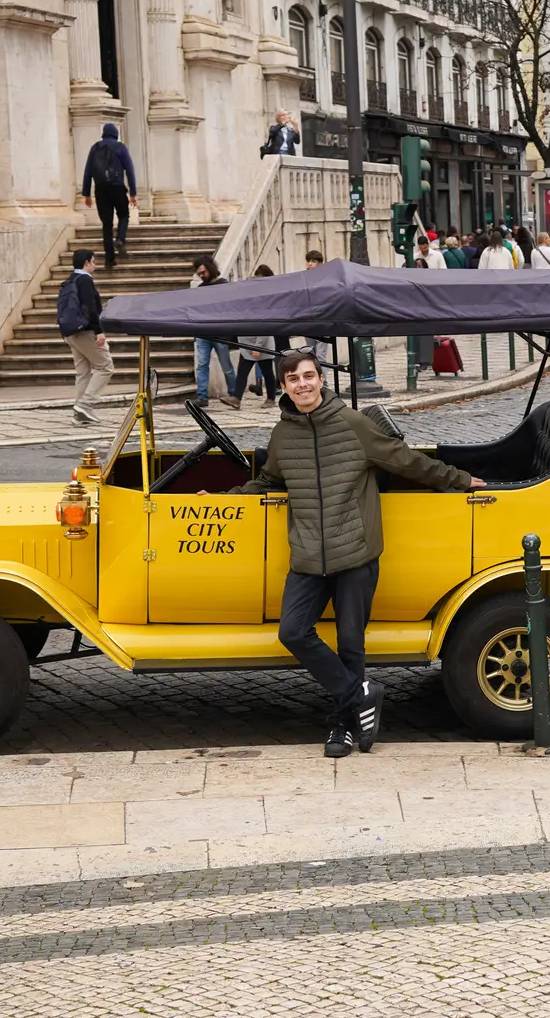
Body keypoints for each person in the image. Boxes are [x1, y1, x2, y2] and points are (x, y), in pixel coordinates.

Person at [223, 350, 483, 756]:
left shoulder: (352, 424)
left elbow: (407, 461)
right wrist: (227, 498)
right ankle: (361, 693)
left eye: (309, 376)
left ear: (321, 379)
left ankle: (340, 727)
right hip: (309, 555)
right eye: (293, 379)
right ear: (284, 386)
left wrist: (462, 479)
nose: (303, 384)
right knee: (293, 631)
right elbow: (267, 481)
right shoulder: (282, 436)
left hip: (355, 553)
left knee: (349, 644)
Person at [59, 249, 113, 426]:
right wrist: (99, 330)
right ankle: (85, 404)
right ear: (87, 262)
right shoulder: (84, 280)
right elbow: (90, 307)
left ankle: (80, 413)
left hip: (71, 332)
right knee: (105, 366)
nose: (95, 265)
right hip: (85, 331)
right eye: (94, 261)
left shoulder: (70, 280)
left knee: (83, 373)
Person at [80, 122, 136, 270]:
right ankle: (120, 239)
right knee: (124, 215)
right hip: (117, 188)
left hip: (101, 190)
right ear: (116, 134)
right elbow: (129, 171)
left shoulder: (95, 148)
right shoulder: (121, 148)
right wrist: (133, 193)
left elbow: (88, 171)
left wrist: (86, 193)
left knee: (107, 224)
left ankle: (109, 260)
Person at [190, 256, 240, 409]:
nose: (201, 275)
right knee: (202, 365)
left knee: (227, 366)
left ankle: (234, 394)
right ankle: (202, 396)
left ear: (210, 269)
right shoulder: (200, 289)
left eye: (203, 272)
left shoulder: (223, 285)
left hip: (220, 332)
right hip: (203, 332)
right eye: (199, 273)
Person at [234, 265, 280, 405]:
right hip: (247, 343)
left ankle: (271, 398)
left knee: (267, 372)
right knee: (242, 372)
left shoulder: (265, 302)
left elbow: (265, 326)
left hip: (260, 344)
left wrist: (258, 346)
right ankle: (236, 398)